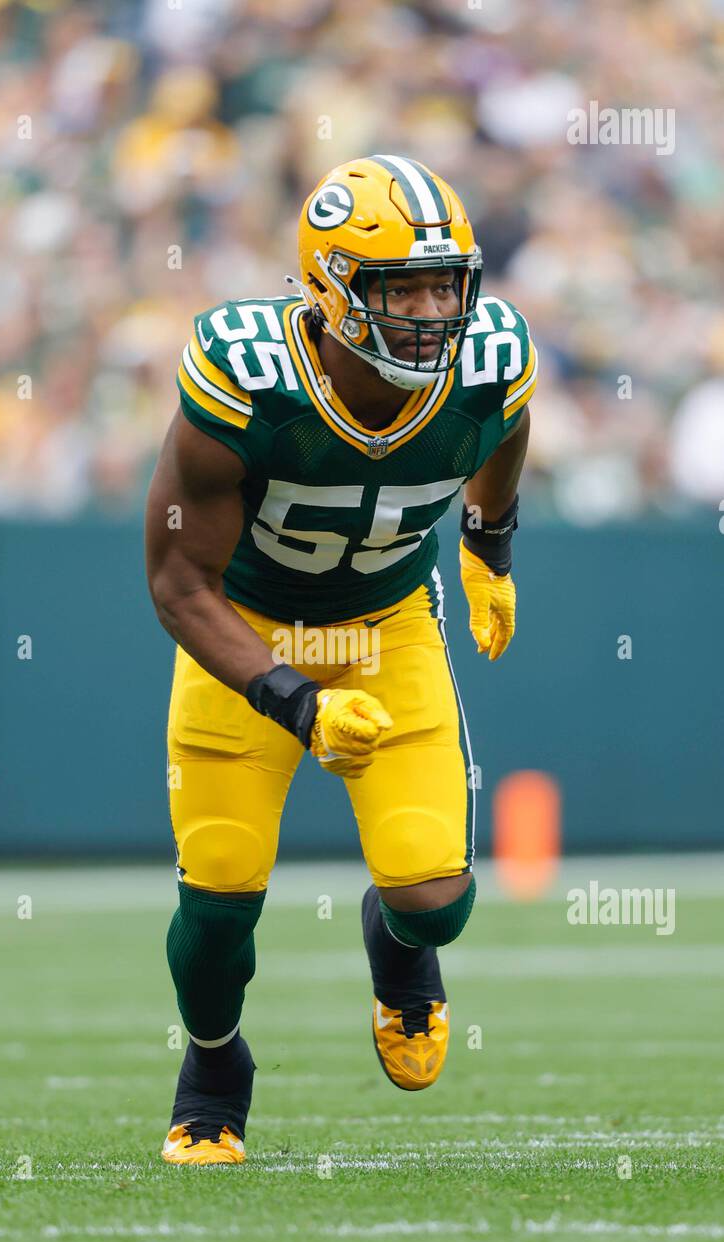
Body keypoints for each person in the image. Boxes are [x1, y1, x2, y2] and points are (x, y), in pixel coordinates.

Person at [145, 155, 537, 1164]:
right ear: (331, 288)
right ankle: (214, 1065)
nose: (429, 310)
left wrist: (489, 546)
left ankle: (398, 956)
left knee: (436, 900)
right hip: (247, 634)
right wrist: (296, 703)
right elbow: (181, 584)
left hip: (386, 625)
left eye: (444, 284)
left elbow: (506, 425)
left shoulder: (489, 354)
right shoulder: (248, 375)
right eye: (400, 287)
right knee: (220, 900)